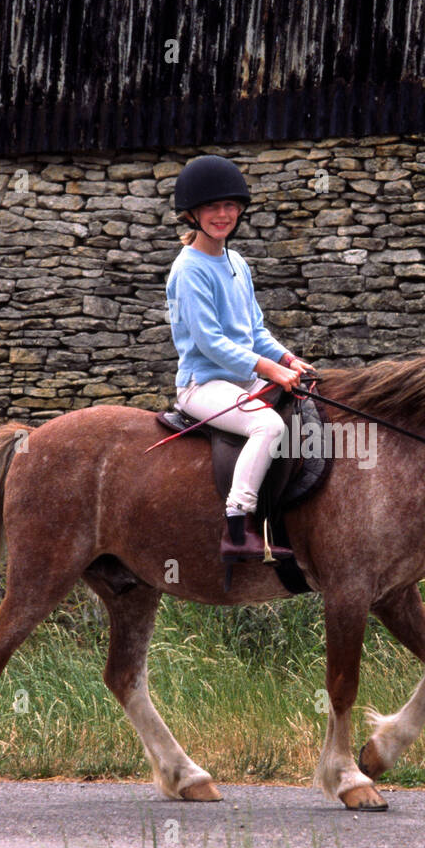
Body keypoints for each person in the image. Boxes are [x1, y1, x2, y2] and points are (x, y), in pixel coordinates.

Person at [164, 154, 313, 564]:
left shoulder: (236, 262)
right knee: (266, 425)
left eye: (230, 206)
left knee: (303, 406)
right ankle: (237, 525)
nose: (223, 214)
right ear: (192, 214)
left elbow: (253, 331)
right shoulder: (189, 270)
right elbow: (211, 343)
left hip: (240, 377)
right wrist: (268, 369)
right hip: (203, 384)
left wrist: (286, 357)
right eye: (213, 207)